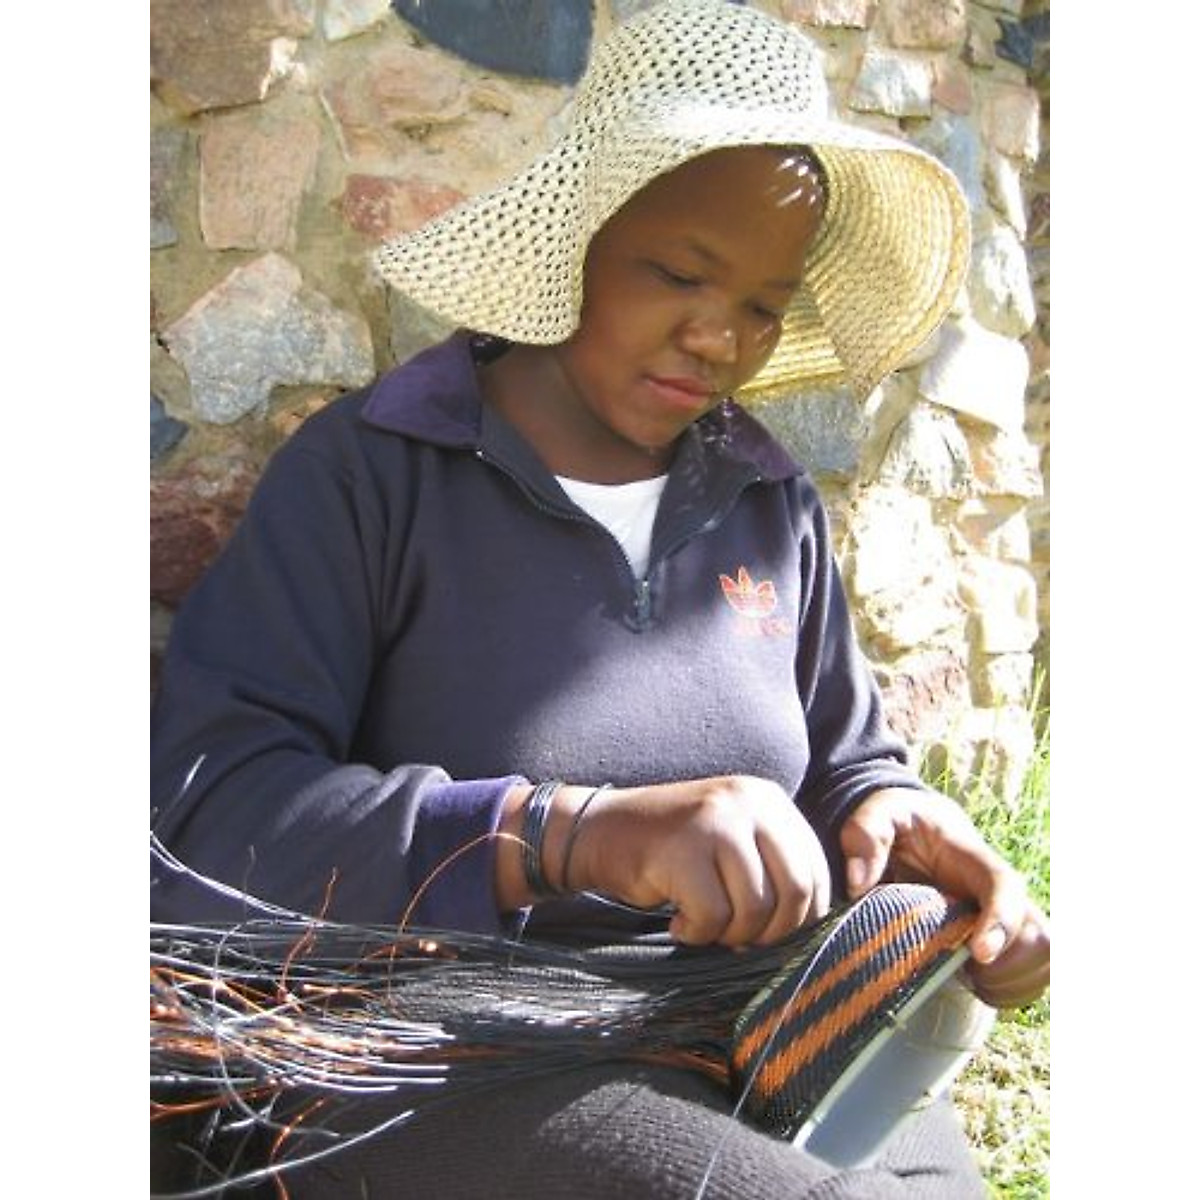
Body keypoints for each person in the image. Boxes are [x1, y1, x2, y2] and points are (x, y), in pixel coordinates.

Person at [150, 1, 1049, 1195]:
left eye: (767, 304)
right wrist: (567, 833)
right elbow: (207, 825)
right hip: (443, 1050)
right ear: (575, 237)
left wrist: (903, 817)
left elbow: (844, 760)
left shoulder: (763, 497)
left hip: (761, 1025)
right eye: (679, 272)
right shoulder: (373, 476)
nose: (721, 337)